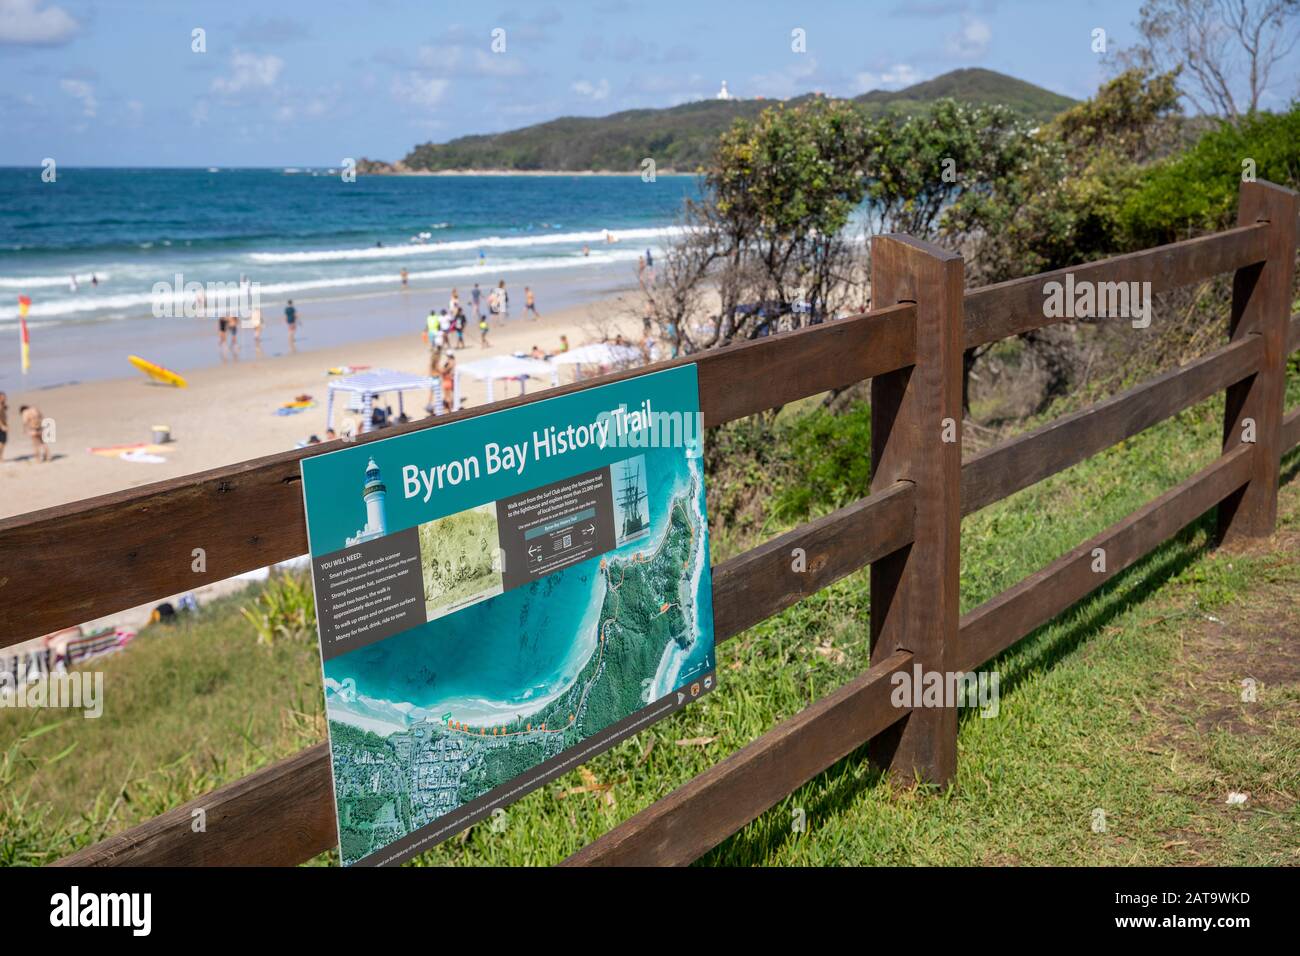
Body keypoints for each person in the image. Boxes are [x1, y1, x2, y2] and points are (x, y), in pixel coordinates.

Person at [0, 390, 7, 461]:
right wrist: (2, 426)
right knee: (2, 442)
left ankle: (1, 456)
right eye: (3, 397)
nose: (5, 398)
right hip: (1, 426)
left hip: (3, 425)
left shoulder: (3, 405)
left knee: (3, 442)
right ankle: (0, 457)